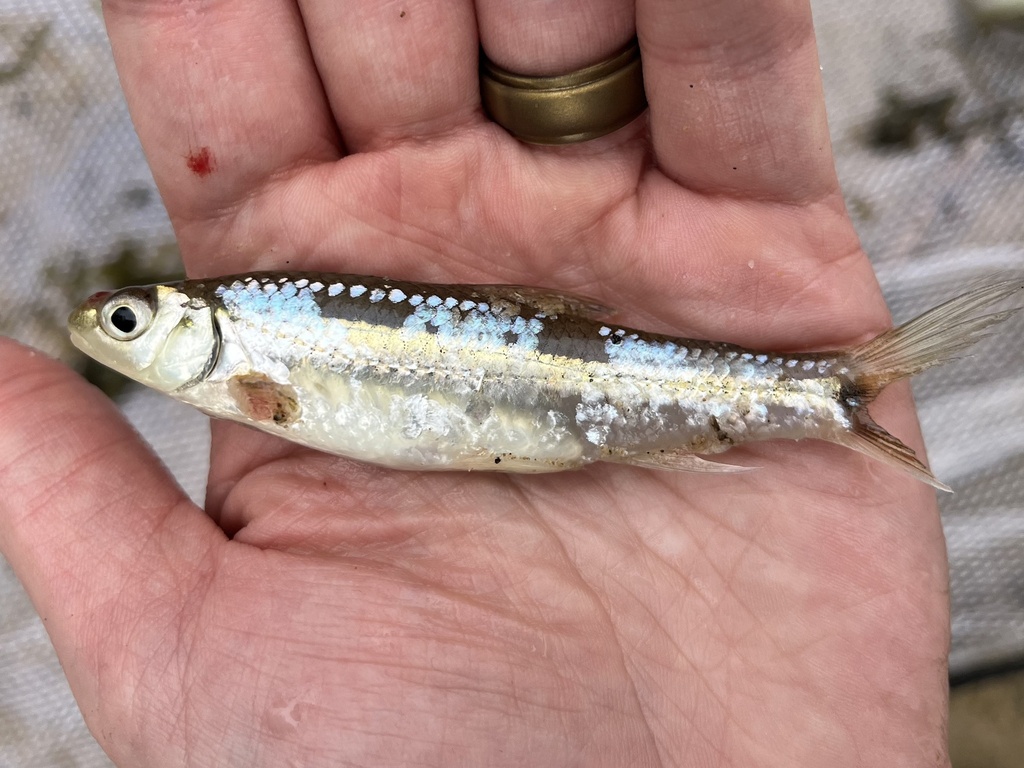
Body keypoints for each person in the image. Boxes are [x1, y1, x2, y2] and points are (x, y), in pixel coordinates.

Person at [0, 1, 950, 765]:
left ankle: (827, 395)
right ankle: (826, 397)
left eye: (130, 323)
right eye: (123, 325)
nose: (114, 334)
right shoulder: (249, 341)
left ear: (200, 329)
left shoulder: (251, 346)